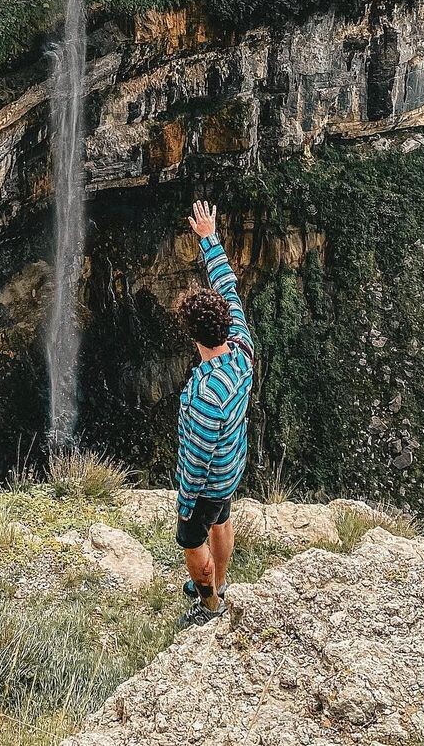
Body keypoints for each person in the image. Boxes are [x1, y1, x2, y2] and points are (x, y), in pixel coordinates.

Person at [175, 199, 255, 624]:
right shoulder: (242, 347)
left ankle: (208, 602)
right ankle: (221, 580)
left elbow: (196, 458)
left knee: (194, 541)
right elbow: (228, 287)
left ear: (193, 336)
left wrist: (186, 502)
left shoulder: (205, 393)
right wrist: (210, 238)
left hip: (207, 480)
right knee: (222, 521)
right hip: (233, 465)